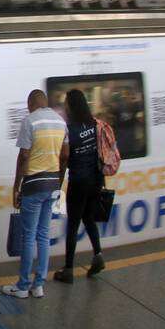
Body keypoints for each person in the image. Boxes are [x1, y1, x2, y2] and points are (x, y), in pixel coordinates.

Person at [7, 89, 69, 299]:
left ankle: (23, 286)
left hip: (33, 183)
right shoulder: (61, 121)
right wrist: (59, 183)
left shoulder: (30, 120)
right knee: (43, 235)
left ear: (31, 103)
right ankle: (39, 284)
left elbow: (24, 156)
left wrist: (17, 186)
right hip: (52, 182)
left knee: (28, 236)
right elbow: (66, 155)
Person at [54, 88, 105, 283]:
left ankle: (68, 269)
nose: (64, 106)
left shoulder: (70, 128)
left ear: (71, 106)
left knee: (73, 225)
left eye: (66, 103)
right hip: (95, 180)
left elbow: (65, 156)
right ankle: (98, 255)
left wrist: (58, 183)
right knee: (89, 218)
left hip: (78, 181)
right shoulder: (94, 124)